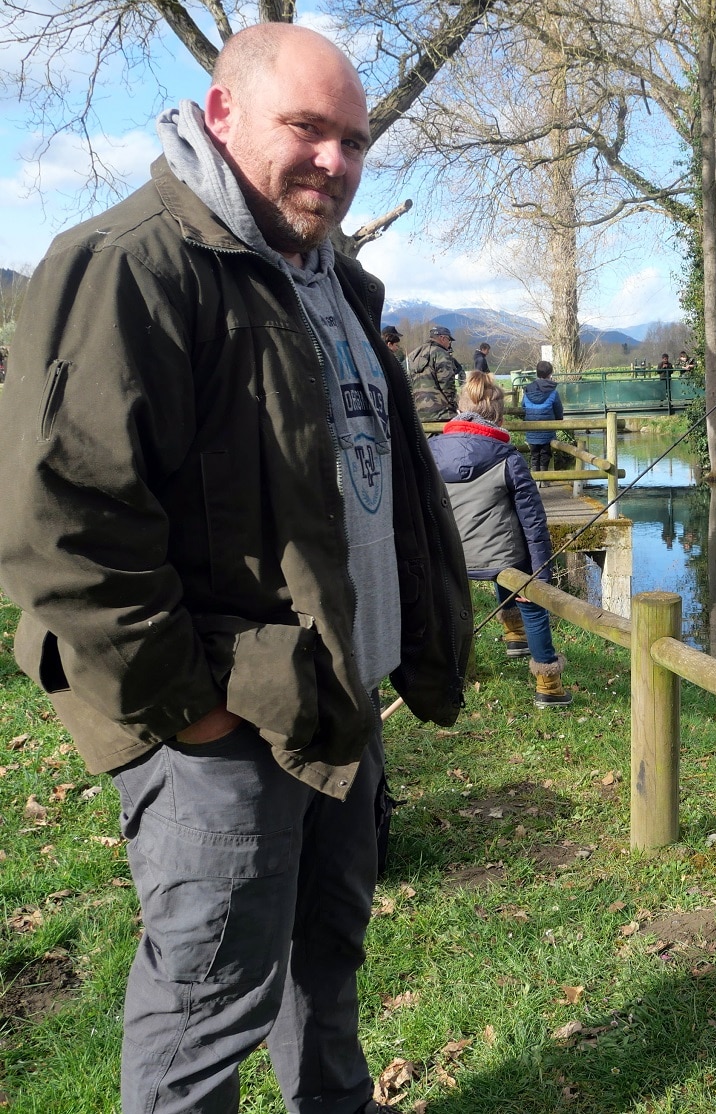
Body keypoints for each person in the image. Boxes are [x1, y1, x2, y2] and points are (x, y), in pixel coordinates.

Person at [0, 24, 472, 1114]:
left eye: (354, 141)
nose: (335, 163)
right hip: (226, 721)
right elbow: (64, 525)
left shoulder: (335, 285)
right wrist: (191, 710)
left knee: (328, 963)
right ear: (220, 112)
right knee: (210, 1005)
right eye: (306, 129)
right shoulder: (130, 264)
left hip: (336, 706)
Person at [429, 371, 572, 708]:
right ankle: (548, 685)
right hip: (500, 559)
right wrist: (541, 575)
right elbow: (533, 522)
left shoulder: (431, 452)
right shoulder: (508, 458)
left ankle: (511, 637)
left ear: (461, 409)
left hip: (451, 556)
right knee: (528, 592)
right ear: (498, 415)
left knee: (503, 558)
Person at [407, 324, 462, 421]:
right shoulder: (441, 353)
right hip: (442, 412)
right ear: (442, 338)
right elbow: (447, 383)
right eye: (449, 340)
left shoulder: (414, 354)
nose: (449, 343)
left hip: (419, 412)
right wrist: (456, 404)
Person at [521, 359, 564, 476]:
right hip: (547, 430)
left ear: (537, 373)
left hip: (531, 429)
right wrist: (559, 421)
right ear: (550, 374)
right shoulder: (553, 392)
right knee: (545, 454)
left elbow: (523, 407)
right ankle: (544, 479)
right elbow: (559, 411)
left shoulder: (527, 390)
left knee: (534, 455)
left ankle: (535, 478)